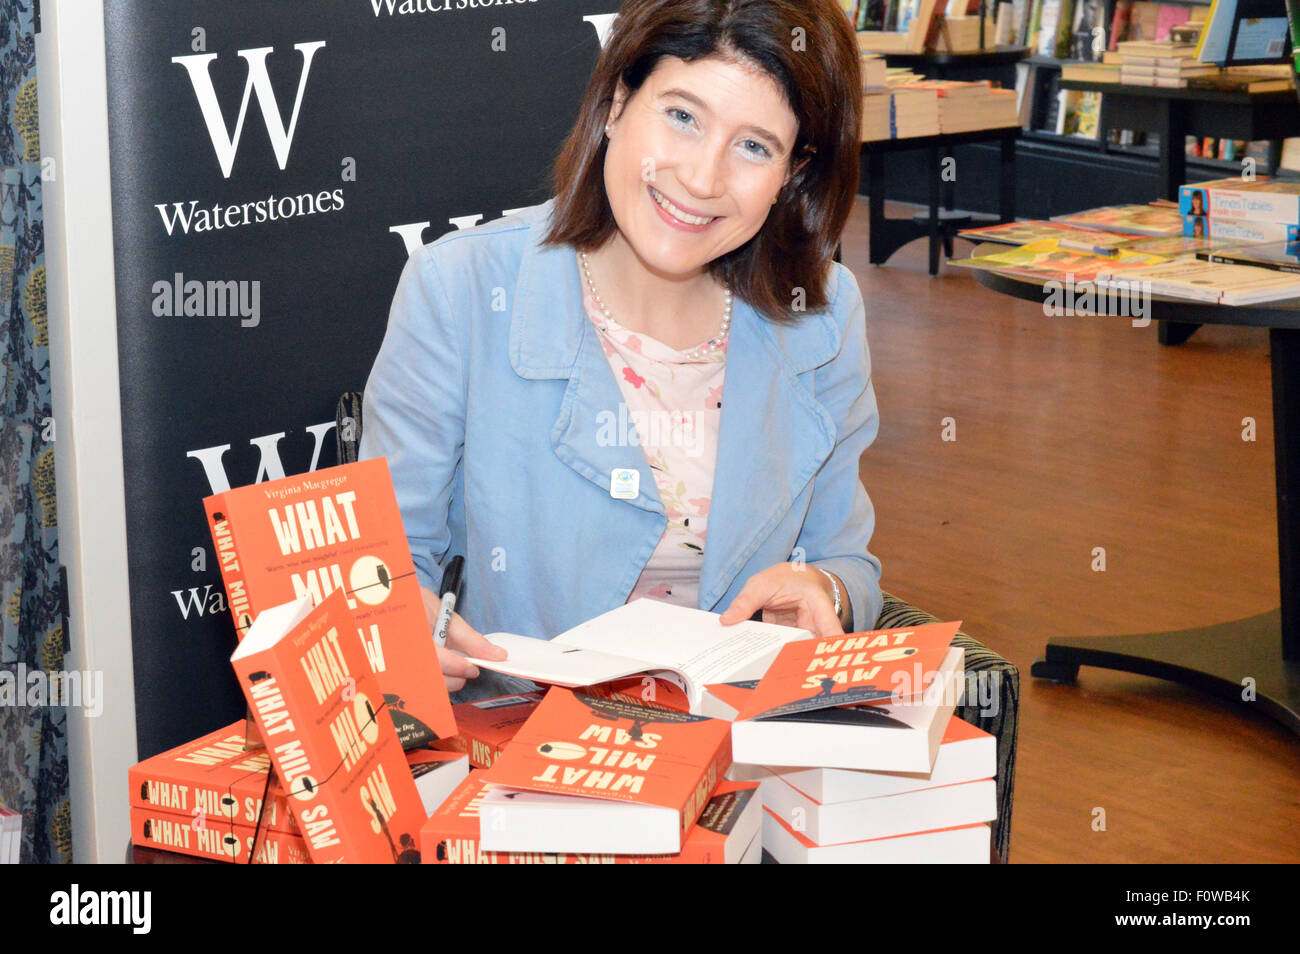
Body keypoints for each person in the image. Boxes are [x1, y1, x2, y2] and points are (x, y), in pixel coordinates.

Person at [360, 0, 883, 701]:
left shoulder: (822, 314)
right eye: (682, 116)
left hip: (736, 750)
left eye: (754, 146)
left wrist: (826, 590)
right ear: (616, 104)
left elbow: (847, 562)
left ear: (794, 173)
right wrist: (398, 623)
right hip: (520, 759)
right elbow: (384, 569)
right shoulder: (460, 289)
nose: (702, 179)